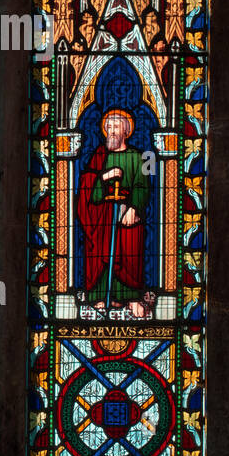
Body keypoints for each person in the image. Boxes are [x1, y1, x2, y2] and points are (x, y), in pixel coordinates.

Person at [77, 108, 150, 316]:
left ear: (126, 130)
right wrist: (104, 177)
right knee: (100, 252)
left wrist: (134, 207)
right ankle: (99, 296)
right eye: (108, 127)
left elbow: (143, 185)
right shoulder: (100, 156)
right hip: (102, 216)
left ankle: (129, 298)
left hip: (128, 215)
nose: (111, 131)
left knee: (128, 254)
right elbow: (87, 186)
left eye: (116, 127)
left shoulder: (138, 157)